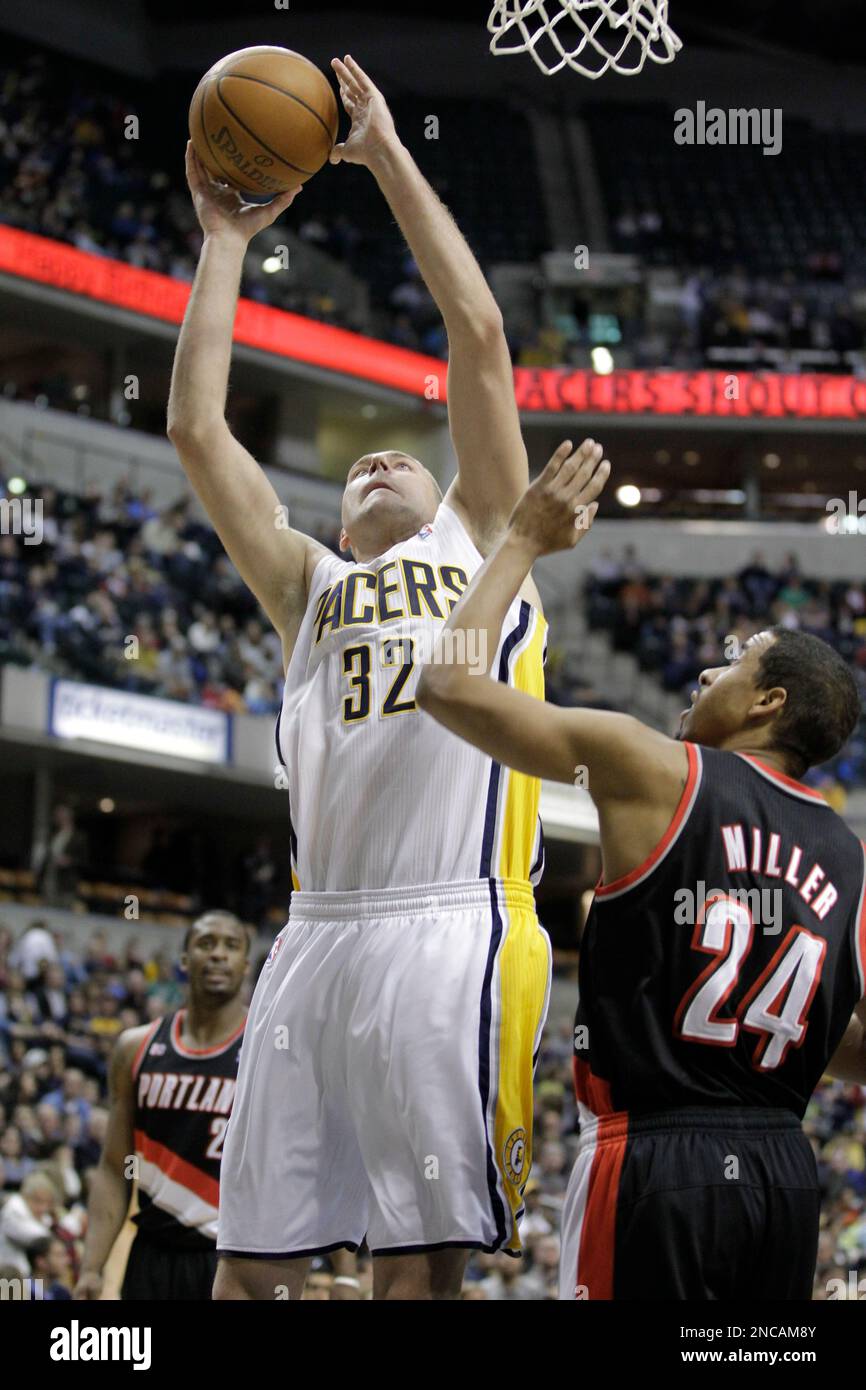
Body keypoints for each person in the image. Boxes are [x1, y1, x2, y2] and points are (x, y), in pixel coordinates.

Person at [168, 54, 550, 1302]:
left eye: (404, 455)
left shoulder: (482, 539)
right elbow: (196, 431)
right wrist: (223, 238)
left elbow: (479, 336)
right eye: (357, 466)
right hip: (316, 932)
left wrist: (383, 154)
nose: (381, 459)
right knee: (248, 1271)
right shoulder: (305, 587)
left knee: (413, 1269)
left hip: (447, 921)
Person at [416, 439, 865, 1300]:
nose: (706, 669)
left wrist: (520, 540)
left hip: (655, 1156)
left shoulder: (655, 766)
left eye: (732, 661)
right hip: (783, 1171)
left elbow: (446, 687)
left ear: (769, 701)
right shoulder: (850, 856)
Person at [73, 912, 249, 1301]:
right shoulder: (135, 1047)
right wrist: (91, 1267)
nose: (218, 955)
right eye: (206, 944)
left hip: (229, 1257)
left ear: (246, 965)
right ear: (184, 961)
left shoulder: (264, 1051)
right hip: (150, 1255)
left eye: (231, 946)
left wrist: (344, 1275)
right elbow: (114, 1166)